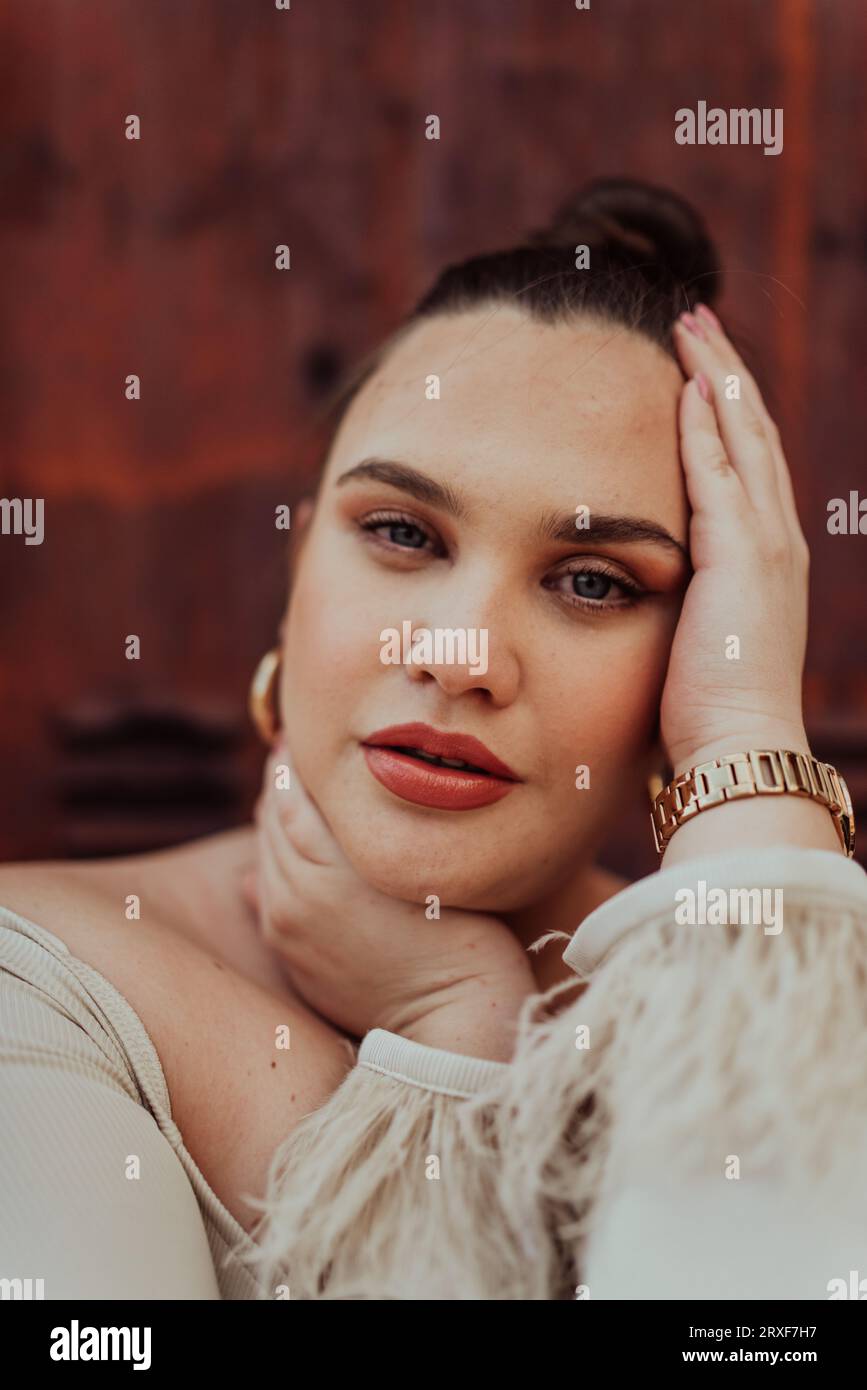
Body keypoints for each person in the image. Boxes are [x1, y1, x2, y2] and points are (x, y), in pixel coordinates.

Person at [1, 178, 865, 1301]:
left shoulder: (813, 1018)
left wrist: (742, 738)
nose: (460, 652)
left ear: (700, 645)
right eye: (402, 531)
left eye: (595, 582)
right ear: (300, 571)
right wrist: (456, 1042)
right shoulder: (41, 982)